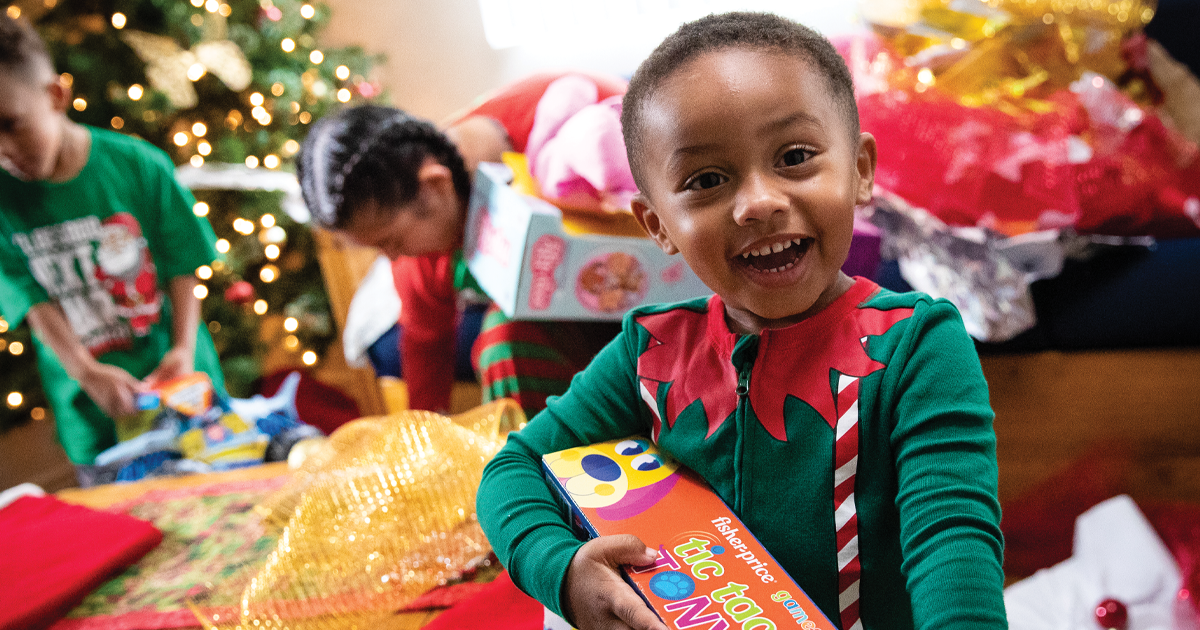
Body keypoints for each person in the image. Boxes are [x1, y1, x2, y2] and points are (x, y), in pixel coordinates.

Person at [476, 12, 1006, 630]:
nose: (758, 203)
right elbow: (510, 472)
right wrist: (564, 573)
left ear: (860, 170)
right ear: (659, 227)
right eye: (706, 180)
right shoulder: (648, 349)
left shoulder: (917, 346)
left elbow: (954, 544)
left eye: (796, 156)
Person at [297, 78, 627, 418]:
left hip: (651, 267)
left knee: (506, 339)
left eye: (390, 242)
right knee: (501, 341)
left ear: (434, 187)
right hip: (586, 313)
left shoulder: (554, 124)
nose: (393, 257)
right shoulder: (421, 259)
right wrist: (426, 443)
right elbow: (425, 351)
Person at [0, 15, 224, 467]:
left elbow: (184, 265)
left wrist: (182, 349)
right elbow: (30, 298)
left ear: (56, 96)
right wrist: (83, 370)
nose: (2, 149)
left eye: (10, 124)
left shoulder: (140, 166)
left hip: (184, 392)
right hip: (94, 419)